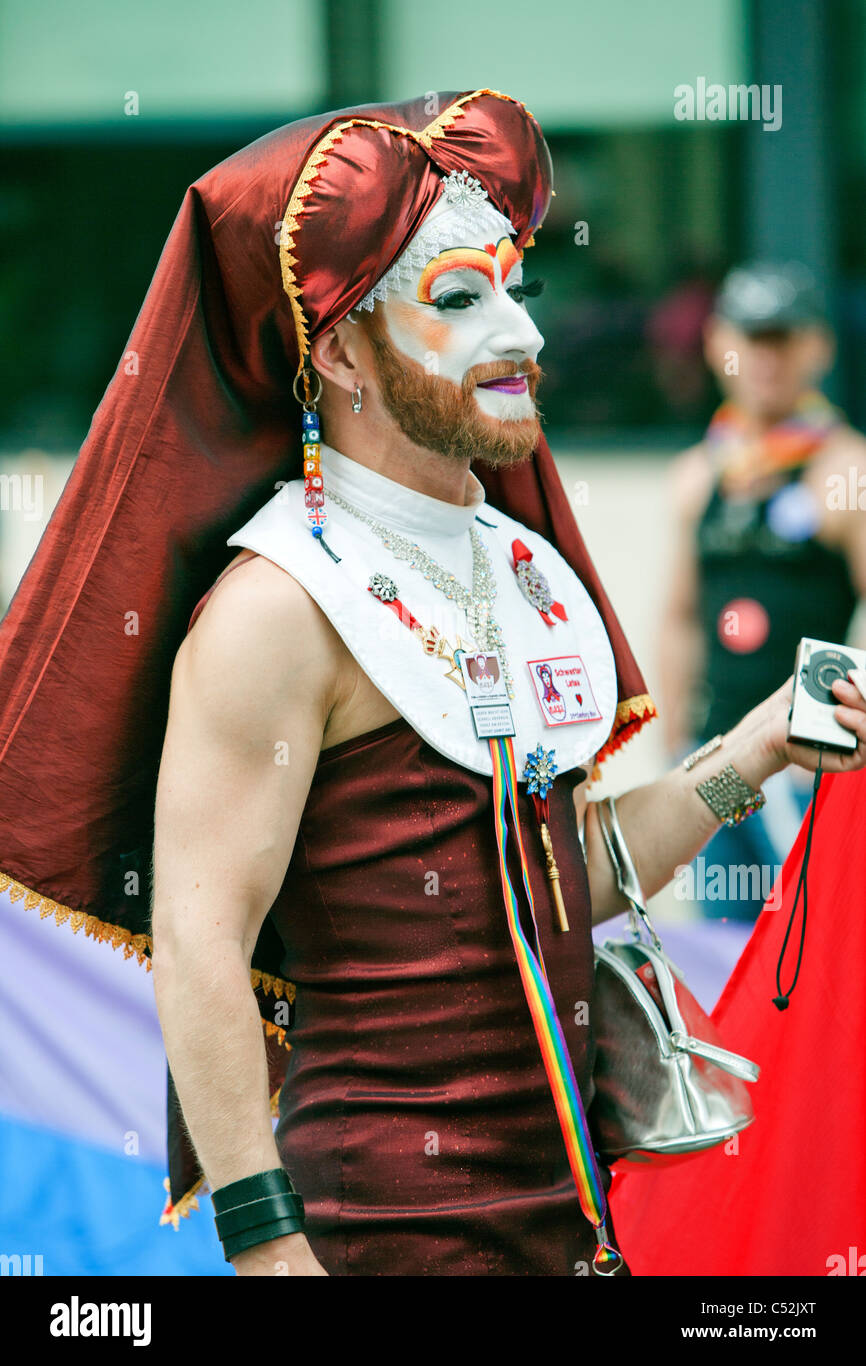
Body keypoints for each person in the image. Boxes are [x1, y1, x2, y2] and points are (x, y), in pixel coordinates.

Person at [1, 94, 865, 1279]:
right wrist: (264, 1248)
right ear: (342, 347)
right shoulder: (275, 607)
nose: (524, 334)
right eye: (460, 297)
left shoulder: (518, 565)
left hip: (573, 1217)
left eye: (519, 288)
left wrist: (757, 746)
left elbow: (570, 882)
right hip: (379, 1235)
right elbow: (202, 944)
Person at [659, 262, 866, 919]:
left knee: (805, 950)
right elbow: (681, 617)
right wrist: (678, 747)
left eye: (782, 338)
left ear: (818, 348)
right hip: (717, 764)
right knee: (723, 948)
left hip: (807, 771)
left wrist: (840, 744)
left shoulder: (845, 469)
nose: (764, 357)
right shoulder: (700, 473)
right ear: (720, 343)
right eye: (750, 337)